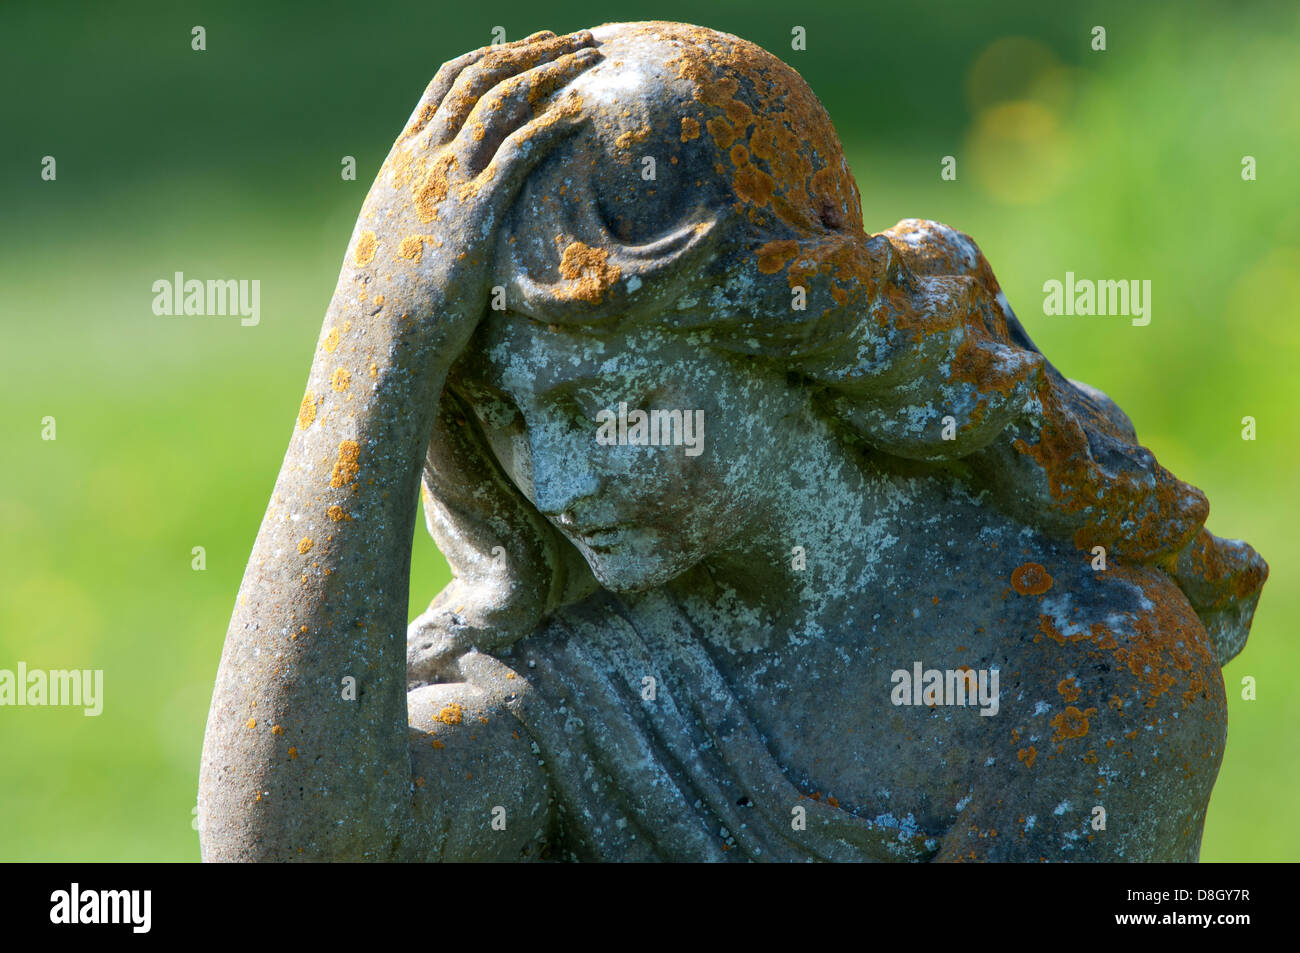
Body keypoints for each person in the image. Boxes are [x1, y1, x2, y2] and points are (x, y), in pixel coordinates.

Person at [200, 22, 1266, 862]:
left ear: (783, 334)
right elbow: (285, 845)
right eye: (509, 426)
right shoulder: (586, 663)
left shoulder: (1080, 667)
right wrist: (373, 356)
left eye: (605, 410)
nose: (559, 483)